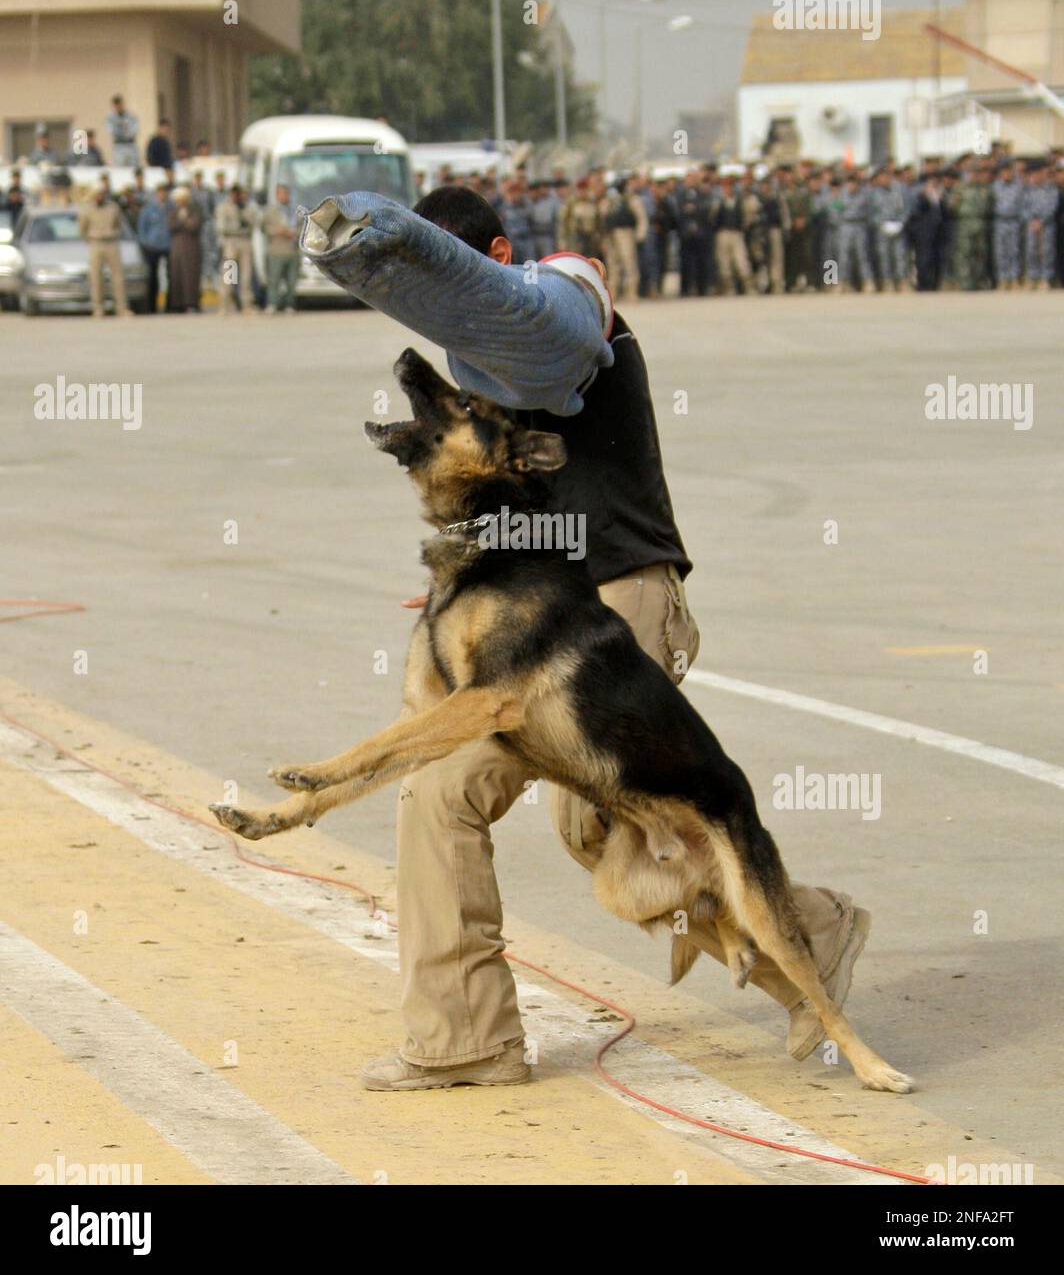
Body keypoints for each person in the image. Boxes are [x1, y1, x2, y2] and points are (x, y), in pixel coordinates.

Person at [297, 184, 872, 1090]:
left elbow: (565, 305)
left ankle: (809, 933)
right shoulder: (475, 359)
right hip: (530, 614)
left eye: (455, 272)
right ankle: (466, 1041)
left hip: (622, 600)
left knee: (616, 835)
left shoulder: (564, 297)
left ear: (495, 250)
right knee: (442, 796)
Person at [78, 184, 131, 317]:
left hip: (111, 243)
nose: (100, 196)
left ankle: (121, 308)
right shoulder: (87, 209)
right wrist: (90, 239)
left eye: (102, 193)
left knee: (118, 277)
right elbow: (82, 228)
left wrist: (112, 233)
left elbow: (118, 224)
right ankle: (98, 308)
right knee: (96, 277)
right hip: (96, 243)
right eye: (97, 193)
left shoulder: (113, 208)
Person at [215, 184, 257, 314]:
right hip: (231, 242)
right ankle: (225, 304)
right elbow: (221, 227)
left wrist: (244, 212)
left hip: (244, 242)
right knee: (229, 275)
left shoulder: (247, 207)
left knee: (246, 275)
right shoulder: (224, 207)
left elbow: (254, 223)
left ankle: (246, 304)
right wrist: (237, 227)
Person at [869, 167, 909, 292]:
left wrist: (901, 223)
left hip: (898, 227)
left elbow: (906, 209)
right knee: (884, 257)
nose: (884, 179)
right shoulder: (873, 193)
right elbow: (870, 212)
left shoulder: (899, 191)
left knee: (900, 256)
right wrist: (880, 224)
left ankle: (902, 282)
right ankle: (888, 283)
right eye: (881, 177)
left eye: (886, 177)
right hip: (882, 229)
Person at [1021, 161, 1059, 291]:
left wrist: (1041, 221)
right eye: (1034, 174)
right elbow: (1023, 207)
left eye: (1039, 173)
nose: (1036, 176)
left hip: (1046, 225)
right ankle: (1033, 278)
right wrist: (1031, 220)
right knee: (1031, 251)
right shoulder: (1027, 190)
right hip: (1031, 225)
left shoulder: (1051, 189)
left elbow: (1052, 207)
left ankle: (1046, 278)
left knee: (1047, 251)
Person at [261, 183, 299, 313]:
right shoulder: (270, 211)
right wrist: (275, 231)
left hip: (292, 250)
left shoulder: (295, 211)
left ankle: (289, 304)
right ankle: (272, 304)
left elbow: (303, 228)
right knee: (274, 280)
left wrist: (294, 232)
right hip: (276, 250)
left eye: (286, 194)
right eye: (282, 194)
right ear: (277, 195)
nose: (284, 196)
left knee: (291, 280)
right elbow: (263, 227)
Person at [906, 173, 945, 292]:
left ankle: (934, 283)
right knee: (923, 259)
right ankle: (923, 284)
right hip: (923, 233)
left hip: (937, 232)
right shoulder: (919, 196)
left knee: (936, 258)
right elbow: (914, 213)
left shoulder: (938, 195)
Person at [166, 186, 203, 312]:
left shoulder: (194, 211)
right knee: (177, 276)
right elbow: (171, 226)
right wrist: (183, 222)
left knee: (191, 277)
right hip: (177, 248)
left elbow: (194, 225)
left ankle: (191, 302)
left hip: (191, 248)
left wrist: (183, 223)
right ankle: (177, 304)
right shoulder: (173, 212)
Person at [137, 185, 171, 313]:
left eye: (164, 193)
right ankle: (152, 306)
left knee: (170, 277)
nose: (162, 195)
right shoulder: (148, 209)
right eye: (160, 193)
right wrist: (145, 243)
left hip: (168, 245)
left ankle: (170, 306)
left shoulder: (170, 208)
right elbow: (142, 228)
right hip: (152, 246)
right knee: (152, 277)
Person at [837, 172, 872, 291]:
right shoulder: (841, 194)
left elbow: (869, 211)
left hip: (859, 225)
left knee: (862, 255)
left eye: (854, 183)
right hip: (845, 226)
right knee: (843, 256)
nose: (852, 185)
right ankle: (842, 282)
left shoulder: (864, 195)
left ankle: (867, 282)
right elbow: (835, 209)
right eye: (850, 182)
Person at [991, 161, 1023, 291]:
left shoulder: (1019, 186)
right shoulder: (995, 187)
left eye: (1009, 171)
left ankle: (1014, 279)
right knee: (1001, 252)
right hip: (1000, 222)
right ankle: (1002, 279)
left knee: (1014, 251)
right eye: (1003, 171)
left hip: (1014, 221)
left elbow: (1023, 204)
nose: (1006, 174)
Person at [106, 96, 140, 168]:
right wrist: (121, 129)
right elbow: (110, 130)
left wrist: (127, 132)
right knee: (120, 167)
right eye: (116, 105)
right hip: (119, 145)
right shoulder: (111, 117)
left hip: (130, 144)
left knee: (133, 166)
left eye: (119, 104)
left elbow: (135, 129)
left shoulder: (131, 116)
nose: (118, 107)